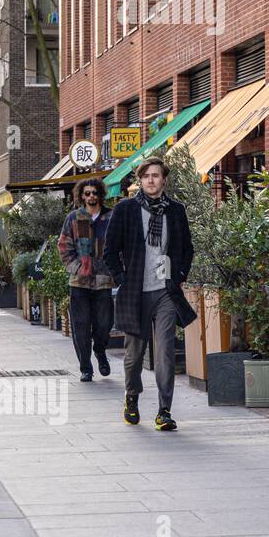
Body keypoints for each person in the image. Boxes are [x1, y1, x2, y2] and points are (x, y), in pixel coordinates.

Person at [104, 157, 196, 431]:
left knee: (166, 351)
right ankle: (131, 399)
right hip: (135, 292)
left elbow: (186, 248)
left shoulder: (176, 210)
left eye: (156, 175)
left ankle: (164, 411)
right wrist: (122, 278)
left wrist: (179, 275)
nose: (151, 180)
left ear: (164, 180)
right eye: (146, 176)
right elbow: (110, 251)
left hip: (165, 291)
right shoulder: (126, 210)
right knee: (134, 356)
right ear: (140, 181)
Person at [57, 179, 115, 382]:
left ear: (100, 194)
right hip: (79, 283)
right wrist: (77, 268)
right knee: (80, 326)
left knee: (104, 324)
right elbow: (64, 246)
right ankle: (86, 367)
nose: (91, 196)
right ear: (81, 195)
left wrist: (116, 271)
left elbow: (119, 246)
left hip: (104, 281)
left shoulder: (111, 217)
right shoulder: (73, 218)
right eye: (87, 193)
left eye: (94, 193)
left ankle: (100, 351)